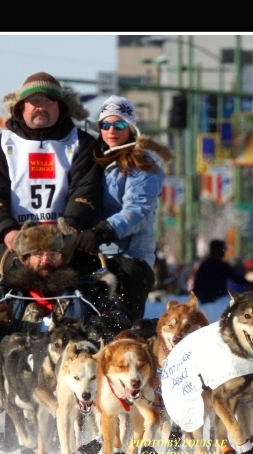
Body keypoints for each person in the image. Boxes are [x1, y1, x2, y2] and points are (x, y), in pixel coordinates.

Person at [0, 222, 114, 449]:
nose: (45, 260)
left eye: (53, 254)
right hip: (19, 370)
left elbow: (116, 321)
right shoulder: (4, 292)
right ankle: (13, 430)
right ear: (25, 258)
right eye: (38, 254)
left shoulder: (84, 293)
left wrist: (104, 324)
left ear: (63, 258)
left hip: (72, 372)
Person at [0, 71, 103, 294]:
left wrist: (71, 226)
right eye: (34, 101)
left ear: (60, 107)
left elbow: (86, 190)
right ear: (21, 107)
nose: (40, 107)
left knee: (85, 309)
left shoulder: (82, 144)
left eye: (48, 101)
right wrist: (7, 231)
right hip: (12, 251)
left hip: (67, 251)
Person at [74, 95, 173, 323]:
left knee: (121, 328)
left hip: (129, 260)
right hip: (95, 256)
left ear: (130, 128)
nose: (111, 131)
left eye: (119, 125)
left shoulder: (142, 164)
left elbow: (138, 210)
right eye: (105, 125)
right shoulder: (93, 160)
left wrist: (103, 231)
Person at [192, 239, 249, 304]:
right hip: (218, 300)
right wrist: (249, 280)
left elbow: (197, 284)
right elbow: (237, 278)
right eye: (223, 250)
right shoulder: (222, 265)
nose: (224, 252)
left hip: (204, 301)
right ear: (219, 251)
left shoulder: (204, 265)